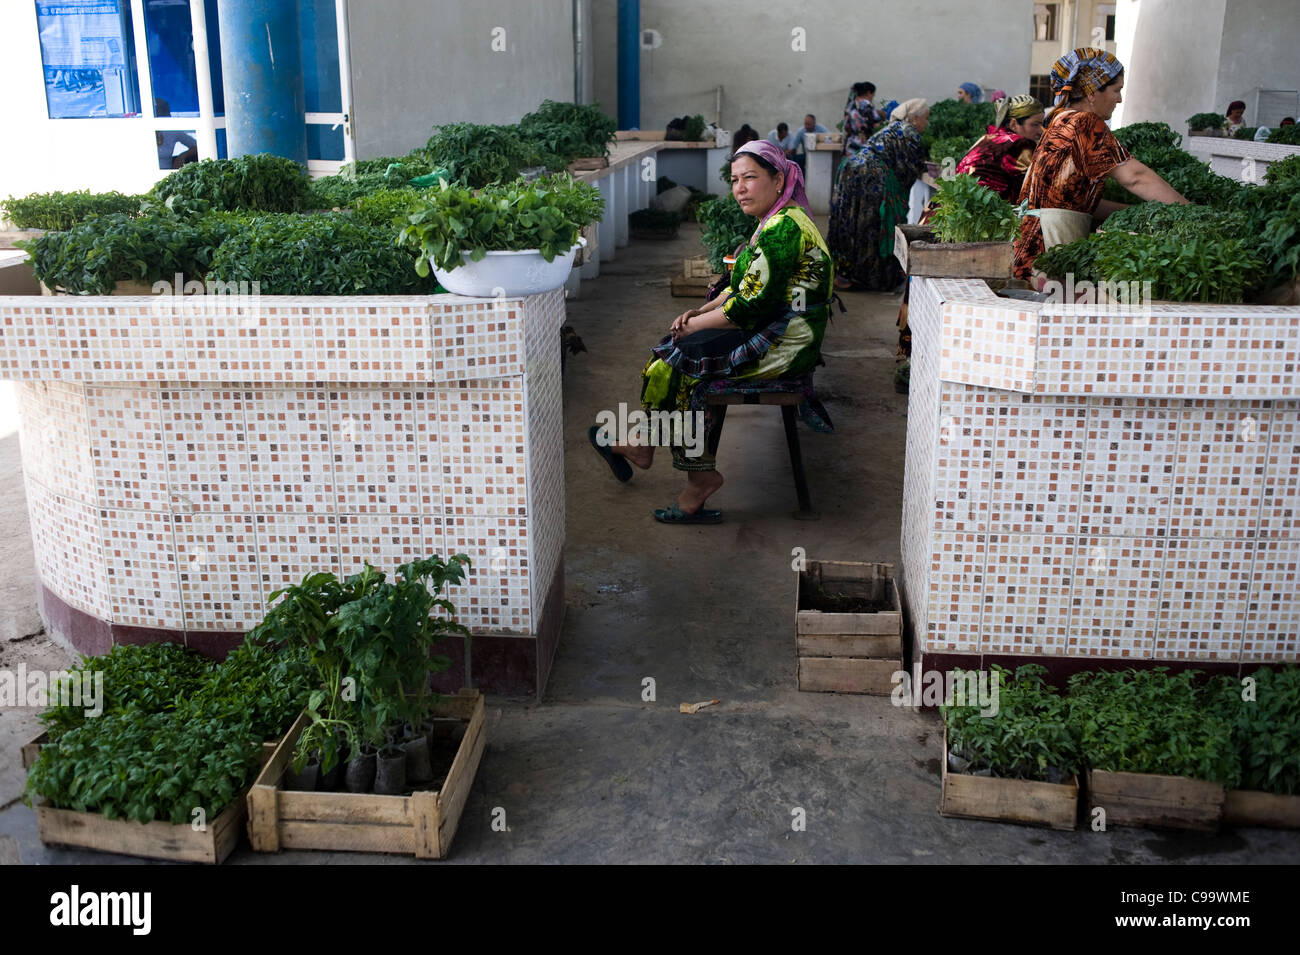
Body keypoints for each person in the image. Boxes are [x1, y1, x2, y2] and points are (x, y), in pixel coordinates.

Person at [588, 140, 833, 524]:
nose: (740, 188)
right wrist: (701, 310)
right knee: (672, 353)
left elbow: (750, 305)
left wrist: (693, 325)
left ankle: (690, 475)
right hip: (777, 324)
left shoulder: (783, 228)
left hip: (788, 339)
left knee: (680, 362)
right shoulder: (778, 219)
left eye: (750, 178)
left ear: (777, 178)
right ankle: (647, 448)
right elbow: (746, 285)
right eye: (735, 179)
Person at [1012, 48, 1188, 281]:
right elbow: (1134, 177)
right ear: (1093, 92)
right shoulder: (1084, 123)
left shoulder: (1061, 119)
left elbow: (1073, 199)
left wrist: (1136, 213)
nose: (1120, 99)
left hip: (1031, 242)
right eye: (1116, 90)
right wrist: (1188, 211)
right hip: (1048, 245)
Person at [828, 98, 929, 291]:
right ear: (915, 119)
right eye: (925, 119)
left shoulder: (893, 127)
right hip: (870, 177)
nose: (926, 123)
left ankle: (844, 274)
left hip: (853, 169)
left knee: (850, 222)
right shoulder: (909, 132)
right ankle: (869, 278)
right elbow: (908, 169)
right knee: (871, 225)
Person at [841, 82, 881, 158]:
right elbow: (876, 125)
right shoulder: (867, 105)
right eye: (873, 95)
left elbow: (846, 126)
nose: (873, 97)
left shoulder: (850, 105)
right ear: (869, 93)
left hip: (850, 145)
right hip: (863, 144)